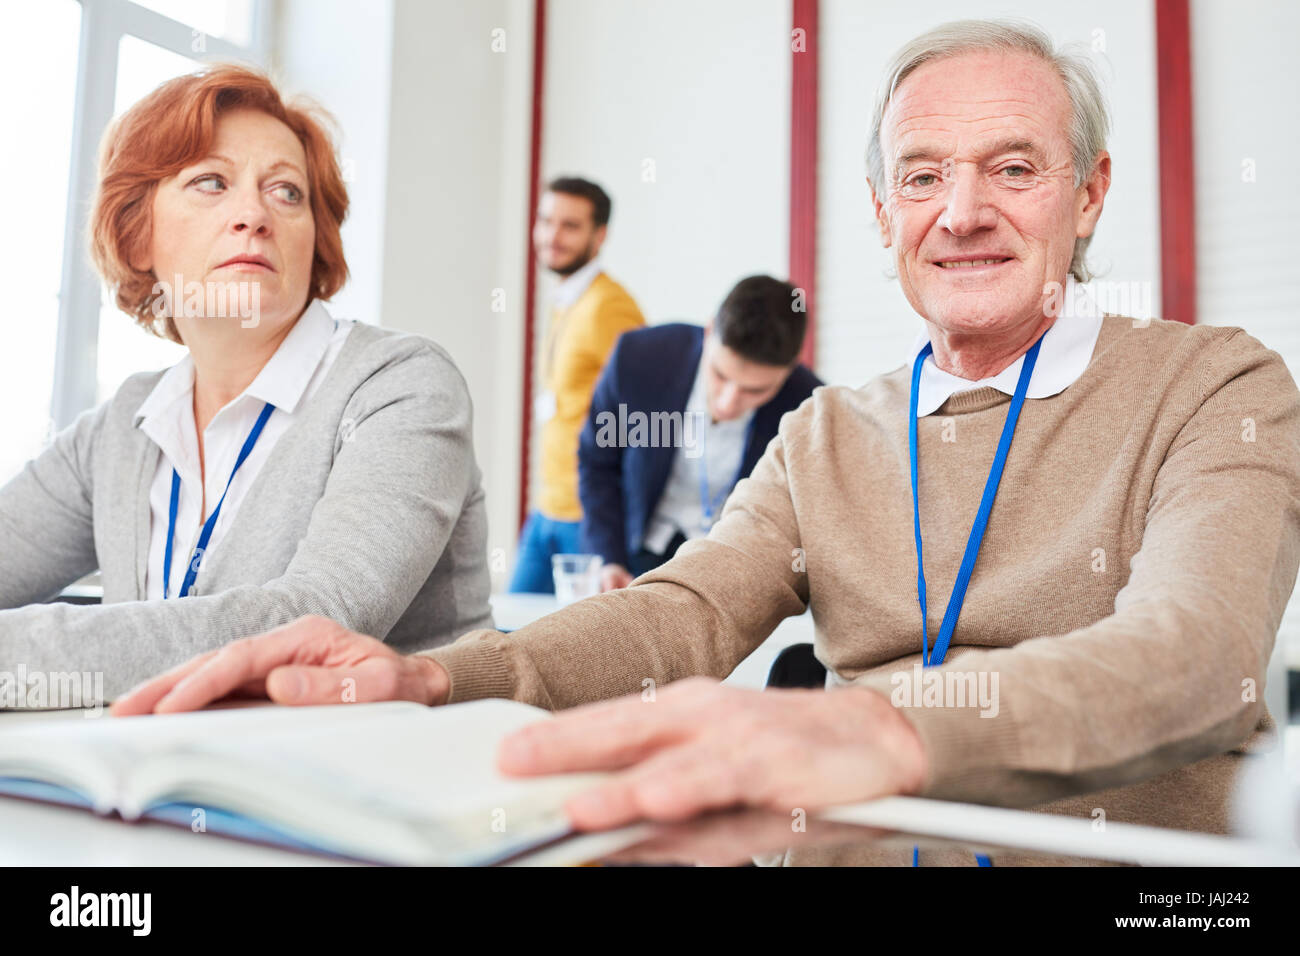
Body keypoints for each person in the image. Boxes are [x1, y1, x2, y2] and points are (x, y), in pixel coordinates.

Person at [114, 20, 1300, 869]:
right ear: (882, 215)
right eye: (922, 175)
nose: (962, 211)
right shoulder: (829, 429)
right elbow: (679, 614)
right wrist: (435, 674)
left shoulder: (1215, 384)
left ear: (1087, 195)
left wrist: (884, 723)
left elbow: (1197, 652)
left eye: (1012, 169)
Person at [0, 64, 493, 702]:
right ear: (138, 233)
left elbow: (312, 623)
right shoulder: (122, 424)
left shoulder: (401, 384)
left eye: (287, 192)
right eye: (211, 181)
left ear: (316, 243)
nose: (254, 214)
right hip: (154, 782)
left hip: (379, 782)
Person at [579, 275, 822, 590]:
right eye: (720, 375)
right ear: (709, 333)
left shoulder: (808, 405)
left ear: (790, 369)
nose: (728, 402)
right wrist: (608, 560)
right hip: (636, 555)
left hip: (734, 575)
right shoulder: (638, 358)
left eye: (755, 390)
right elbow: (597, 465)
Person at [510, 177, 646, 593]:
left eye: (570, 225)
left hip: (587, 520)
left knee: (577, 653)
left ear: (599, 235)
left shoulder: (611, 307)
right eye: (546, 220)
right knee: (499, 634)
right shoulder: (567, 299)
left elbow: (643, 419)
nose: (553, 235)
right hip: (546, 509)